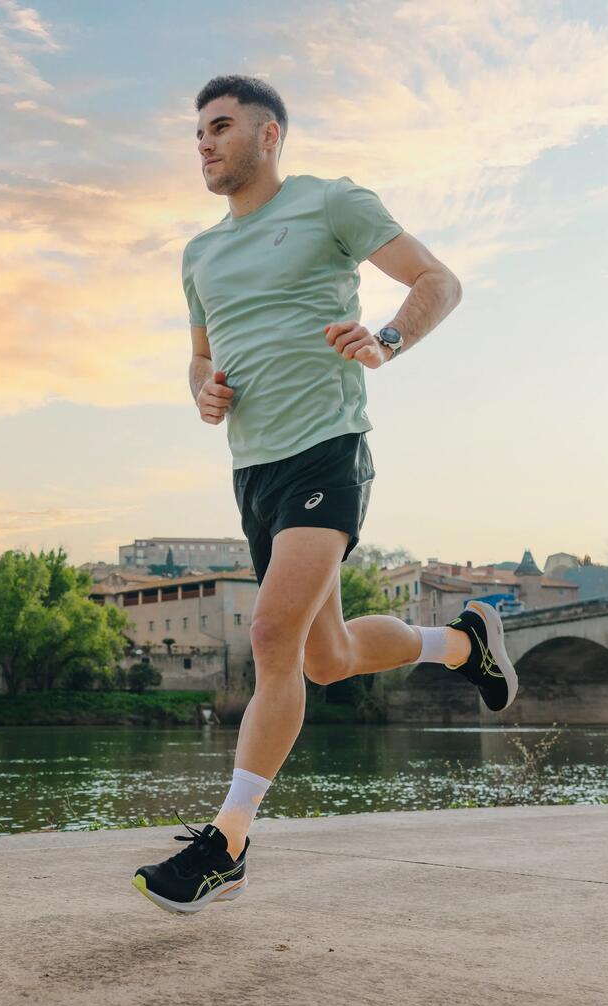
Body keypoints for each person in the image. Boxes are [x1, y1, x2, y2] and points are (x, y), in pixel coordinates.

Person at [132, 74, 520, 916]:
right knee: (324, 656)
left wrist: (384, 339)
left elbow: (437, 282)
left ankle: (227, 841)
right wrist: (202, 390)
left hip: (325, 451)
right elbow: (202, 357)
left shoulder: (329, 203)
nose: (204, 142)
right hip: (254, 470)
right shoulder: (198, 255)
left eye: (220, 127)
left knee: (271, 635)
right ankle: (461, 644)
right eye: (197, 131)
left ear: (268, 135)